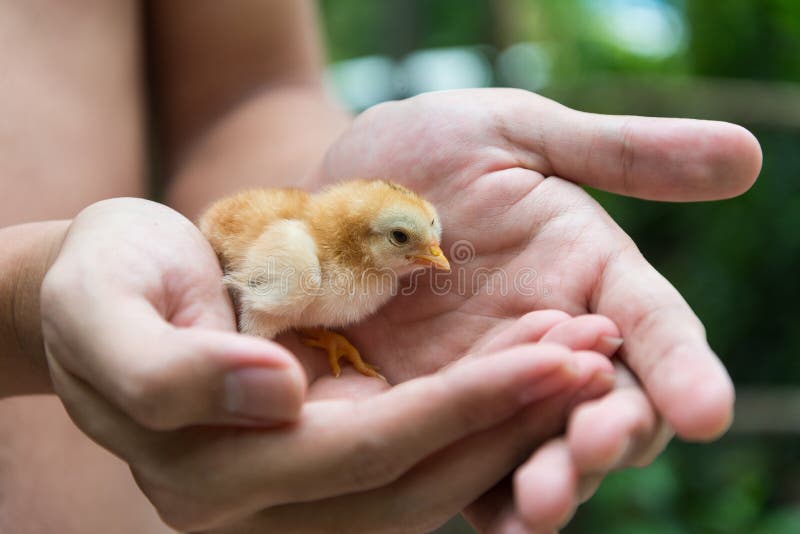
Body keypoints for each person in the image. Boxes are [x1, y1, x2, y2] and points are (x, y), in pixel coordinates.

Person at [0, 2, 762, 533]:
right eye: (408, 242)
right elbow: (271, 252)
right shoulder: (301, 258)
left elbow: (251, 93)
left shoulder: (349, 250)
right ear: (368, 236)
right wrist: (23, 299)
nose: (433, 257)